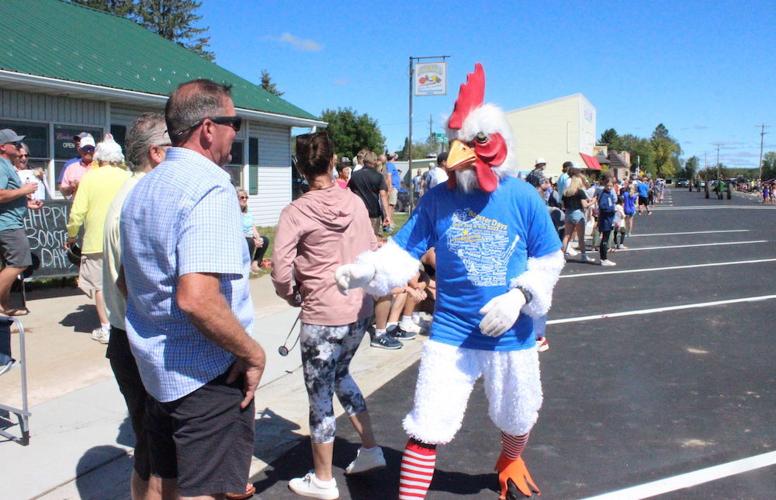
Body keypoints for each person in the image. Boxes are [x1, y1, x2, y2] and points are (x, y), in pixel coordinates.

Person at [336, 64, 564, 500]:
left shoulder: (523, 197)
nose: (461, 152)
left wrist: (520, 296)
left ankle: (511, 458)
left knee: (518, 415)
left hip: (510, 333)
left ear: (499, 144)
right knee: (426, 424)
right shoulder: (438, 198)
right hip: (451, 332)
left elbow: (550, 259)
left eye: (477, 142)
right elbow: (404, 250)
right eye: (458, 142)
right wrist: (370, 270)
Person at [121, 80, 266, 499]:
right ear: (207, 128)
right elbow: (197, 297)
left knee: (161, 479)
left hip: (157, 370)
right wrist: (251, 353)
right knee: (208, 491)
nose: (235, 133)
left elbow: (126, 281)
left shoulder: (143, 187)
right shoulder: (210, 186)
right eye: (234, 123)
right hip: (206, 374)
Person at [271, 132, 387, 499]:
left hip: (322, 315)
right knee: (341, 375)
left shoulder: (296, 212)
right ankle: (370, 448)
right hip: (358, 310)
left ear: (300, 167)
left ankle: (323, 479)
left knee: (320, 395)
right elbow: (372, 250)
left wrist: (292, 295)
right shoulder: (355, 203)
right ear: (333, 160)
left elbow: (280, 271)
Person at [101, 113, 174, 500]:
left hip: (130, 338)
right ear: (157, 152)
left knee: (150, 451)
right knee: (158, 456)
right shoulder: (139, 201)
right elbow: (131, 285)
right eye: (176, 147)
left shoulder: (132, 193)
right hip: (140, 341)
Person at [65, 134, 130, 344]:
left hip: (96, 241)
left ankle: (106, 327)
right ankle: (127, 323)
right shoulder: (127, 176)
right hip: (124, 239)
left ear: (98, 158)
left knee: (100, 286)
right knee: (125, 281)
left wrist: (71, 234)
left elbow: (77, 212)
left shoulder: (90, 177)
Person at [0, 129, 43, 317]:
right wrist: (24, 190)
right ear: (3, 147)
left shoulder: (7, 165)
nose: (19, 147)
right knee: (20, 263)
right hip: (8, 225)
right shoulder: (1, 165)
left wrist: (27, 203)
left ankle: (3, 307)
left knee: (10, 266)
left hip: (10, 221)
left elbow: (8, 195)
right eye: (15, 143)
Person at [349, 150, 390, 236]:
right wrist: (387, 215)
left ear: (364, 161)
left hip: (358, 213)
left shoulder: (355, 175)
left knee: (359, 239)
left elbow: (348, 192)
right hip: (374, 213)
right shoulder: (379, 176)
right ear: (375, 162)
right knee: (373, 239)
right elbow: (383, 196)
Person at [561, 171, 595, 262]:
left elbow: (563, 205)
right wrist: (593, 202)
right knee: (580, 237)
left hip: (568, 213)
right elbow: (585, 205)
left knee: (566, 236)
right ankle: (583, 256)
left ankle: (561, 255)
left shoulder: (566, 192)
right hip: (578, 214)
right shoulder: (580, 192)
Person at [237, 188, 269, 274]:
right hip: (240, 238)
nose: (244, 199)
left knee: (265, 240)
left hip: (250, 237)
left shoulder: (249, 211)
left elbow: (252, 226)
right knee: (250, 242)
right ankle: (247, 266)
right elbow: (238, 231)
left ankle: (255, 263)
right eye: (242, 197)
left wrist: (258, 238)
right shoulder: (235, 212)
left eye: (246, 197)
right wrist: (253, 240)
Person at [60, 134, 96, 198]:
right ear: (80, 150)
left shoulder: (101, 167)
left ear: (95, 151)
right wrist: (71, 187)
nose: (88, 151)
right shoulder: (70, 167)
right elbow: (63, 191)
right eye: (85, 149)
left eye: (91, 149)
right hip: (77, 203)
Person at [597, 175, 617, 266]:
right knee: (605, 239)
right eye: (607, 185)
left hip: (609, 219)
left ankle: (604, 258)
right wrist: (612, 209)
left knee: (606, 238)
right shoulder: (604, 194)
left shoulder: (609, 194)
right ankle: (603, 259)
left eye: (611, 186)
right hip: (605, 220)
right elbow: (602, 206)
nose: (609, 187)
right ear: (604, 185)